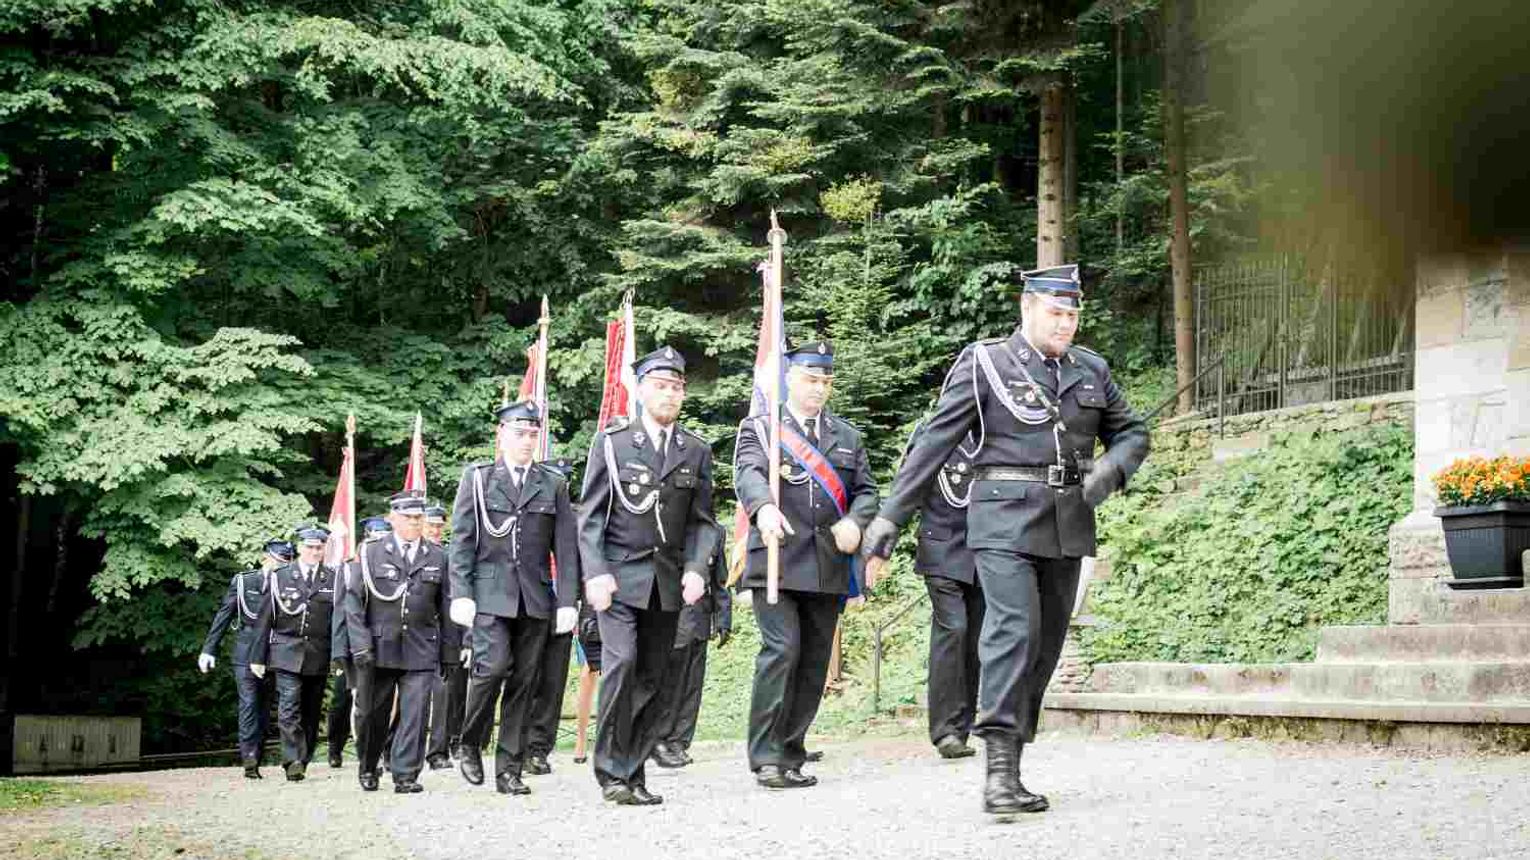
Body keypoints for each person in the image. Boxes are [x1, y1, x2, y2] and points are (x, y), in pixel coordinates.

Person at [862, 263, 1149, 815]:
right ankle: (999, 775)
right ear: (1027, 308)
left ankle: (1012, 764)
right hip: (1001, 521)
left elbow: (1132, 432)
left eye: (1072, 315)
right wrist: (891, 518)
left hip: (1068, 524)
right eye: (1055, 312)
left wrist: (1113, 467)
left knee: (1044, 646)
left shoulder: (1090, 369)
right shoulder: (986, 363)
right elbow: (933, 443)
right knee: (1013, 631)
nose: (1064, 323)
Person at [733, 340, 879, 790]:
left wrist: (856, 522)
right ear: (790, 379)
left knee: (814, 661)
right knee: (782, 650)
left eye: (825, 381)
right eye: (810, 379)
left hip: (826, 564)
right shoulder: (762, 428)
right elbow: (748, 473)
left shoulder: (846, 437)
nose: (818, 388)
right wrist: (762, 507)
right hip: (777, 558)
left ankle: (791, 750)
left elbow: (867, 492)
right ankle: (765, 757)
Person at [578, 346, 718, 806]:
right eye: (661, 386)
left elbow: (703, 522)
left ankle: (634, 771)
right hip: (619, 579)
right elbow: (590, 516)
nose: (670, 394)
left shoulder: (694, 450)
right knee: (621, 666)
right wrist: (595, 573)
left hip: (667, 581)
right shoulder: (613, 443)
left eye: (677, 387)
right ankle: (611, 771)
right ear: (640, 391)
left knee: (654, 679)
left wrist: (697, 568)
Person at [449, 400, 580, 797]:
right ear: (501, 435)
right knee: (490, 671)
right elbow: (462, 541)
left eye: (532, 435)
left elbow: (566, 549)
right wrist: (461, 593)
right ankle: (470, 742)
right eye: (519, 434)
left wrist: (568, 601)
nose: (526, 442)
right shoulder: (478, 479)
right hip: (490, 595)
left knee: (524, 684)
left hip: (535, 597)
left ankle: (509, 769)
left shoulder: (552, 483)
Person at [345, 492, 455, 793]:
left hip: (421, 646)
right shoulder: (371, 552)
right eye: (407, 517)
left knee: (415, 715)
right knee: (372, 714)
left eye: (418, 517)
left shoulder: (438, 556)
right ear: (392, 518)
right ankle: (369, 765)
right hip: (379, 647)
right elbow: (353, 602)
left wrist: (449, 652)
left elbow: (446, 606)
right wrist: (360, 645)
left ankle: (406, 774)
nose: (414, 523)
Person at [903, 422, 983, 760]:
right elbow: (908, 485)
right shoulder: (930, 433)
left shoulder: (994, 431)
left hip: (984, 549)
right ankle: (945, 730)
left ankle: (962, 727)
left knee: (975, 638)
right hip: (941, 546)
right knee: (954, 629)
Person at [250, 525, 339, 782]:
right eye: (310, 547)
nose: (314, 552)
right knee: (289, 708)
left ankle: (304, 757)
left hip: (318, 654)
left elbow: (338, 622)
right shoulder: (280, 576)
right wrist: (257, 657)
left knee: (311, 711)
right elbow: (264, 619)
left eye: (319, 547)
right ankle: (292, 760)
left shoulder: (333, 579)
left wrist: (339, 656)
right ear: (300, 547)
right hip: (286, 652)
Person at [198, 539, 293, 779]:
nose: (281, 566)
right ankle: (249, 758)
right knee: (248, 704)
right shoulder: (244, 581)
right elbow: (224, 615)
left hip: (275, 651)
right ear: (266, 557)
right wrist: (209, 649)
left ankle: (259, 754)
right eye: (278, 561)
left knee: (265, 708)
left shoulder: (289, 583)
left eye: (285, 563)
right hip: (246, 650)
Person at [650, 529, 732, 769]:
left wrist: (724, 619)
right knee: (670, 683)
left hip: (700, 618)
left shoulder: (715, 532)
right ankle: (659, 738)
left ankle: (680, 740)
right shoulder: (669, 525)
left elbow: (719, 580)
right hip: (671, 615)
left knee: (692, 685)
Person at [525, 458, 578, 777]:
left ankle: (538, 748)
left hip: (564, 607)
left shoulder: (578, 519)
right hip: (532, 603)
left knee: (553, 681)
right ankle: (517, 742)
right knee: (525, 676)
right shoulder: (532, 515)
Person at [339, 515, 393, 778]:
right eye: (375, 539)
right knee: (362, 707)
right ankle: (365, 754)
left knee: (390, 706)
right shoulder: (351, 567)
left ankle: (385, 753)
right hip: (359, 648)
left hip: (390, 646)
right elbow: (342, 614)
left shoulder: (396, 566)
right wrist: (340, 653)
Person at [421, 503, 466, 771]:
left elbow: (456, 599)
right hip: (413, 635)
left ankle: (438, 750)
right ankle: (391, 749)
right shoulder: (408, 554)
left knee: (444, 694)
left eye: (439, 525)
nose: (435, 530)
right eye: (431, 525)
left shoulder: (448, 556)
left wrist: (463, 639)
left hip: (443, 635)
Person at [570, 601, 602, 765]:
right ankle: (581, 738)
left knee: (618, 676)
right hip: (590, 610)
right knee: (587, 674)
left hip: (623, 607)